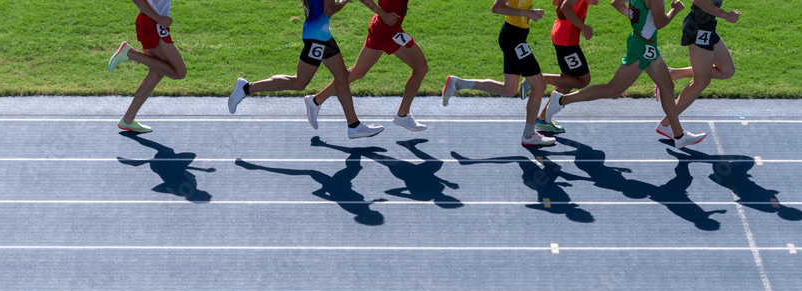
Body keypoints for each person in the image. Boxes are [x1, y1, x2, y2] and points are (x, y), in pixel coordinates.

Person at [544, 0, 707, 149]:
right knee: (612, 89)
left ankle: (677, 133)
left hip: (645, 44)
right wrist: (675, 10)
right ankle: (562, 100)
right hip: (642, 47)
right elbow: (660, 23)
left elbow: (617, 3)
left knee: (667, 86)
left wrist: (638, 21)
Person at [226, 0, 383, 139]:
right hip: (317, 37)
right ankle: (246, 88)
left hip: (322, 34)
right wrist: (345, 1)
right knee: (299, 82)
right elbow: (329, 10)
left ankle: (353, 125)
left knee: (342, 76)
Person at [441, 0, 556, 147]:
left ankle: (458, 83)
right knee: (539, 86)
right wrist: (528, 13)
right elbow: (496, 7)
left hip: (516, 37)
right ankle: (528, 135)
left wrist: (530, 13)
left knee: (509, 89)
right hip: (513, 39)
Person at [306, 0, 429, 133]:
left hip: (381, 27)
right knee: (421, 68)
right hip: (388, 32)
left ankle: (315, 101)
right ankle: (403, 114)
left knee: (357, 72)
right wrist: (383, 14)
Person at [653, 0, 740, 139]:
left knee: (727, 70)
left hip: (708, 26)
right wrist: (725, 15)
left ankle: (672, 74)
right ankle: (666, 124)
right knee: (701, 81)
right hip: (699, 28)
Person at [106, 0, 188, 133]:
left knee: (156, 73)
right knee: (179, 72)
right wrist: (159, 18)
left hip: (152, 23)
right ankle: (130, 54)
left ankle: (127, 119)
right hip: (153, 24)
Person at [521, 0, 599, 134]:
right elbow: (565, 7)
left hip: (562, 36)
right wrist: (584, 27)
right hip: (567, 41)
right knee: (583, 80)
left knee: (569, 81)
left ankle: (543, 119)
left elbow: (556, 2)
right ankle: (534, 78)